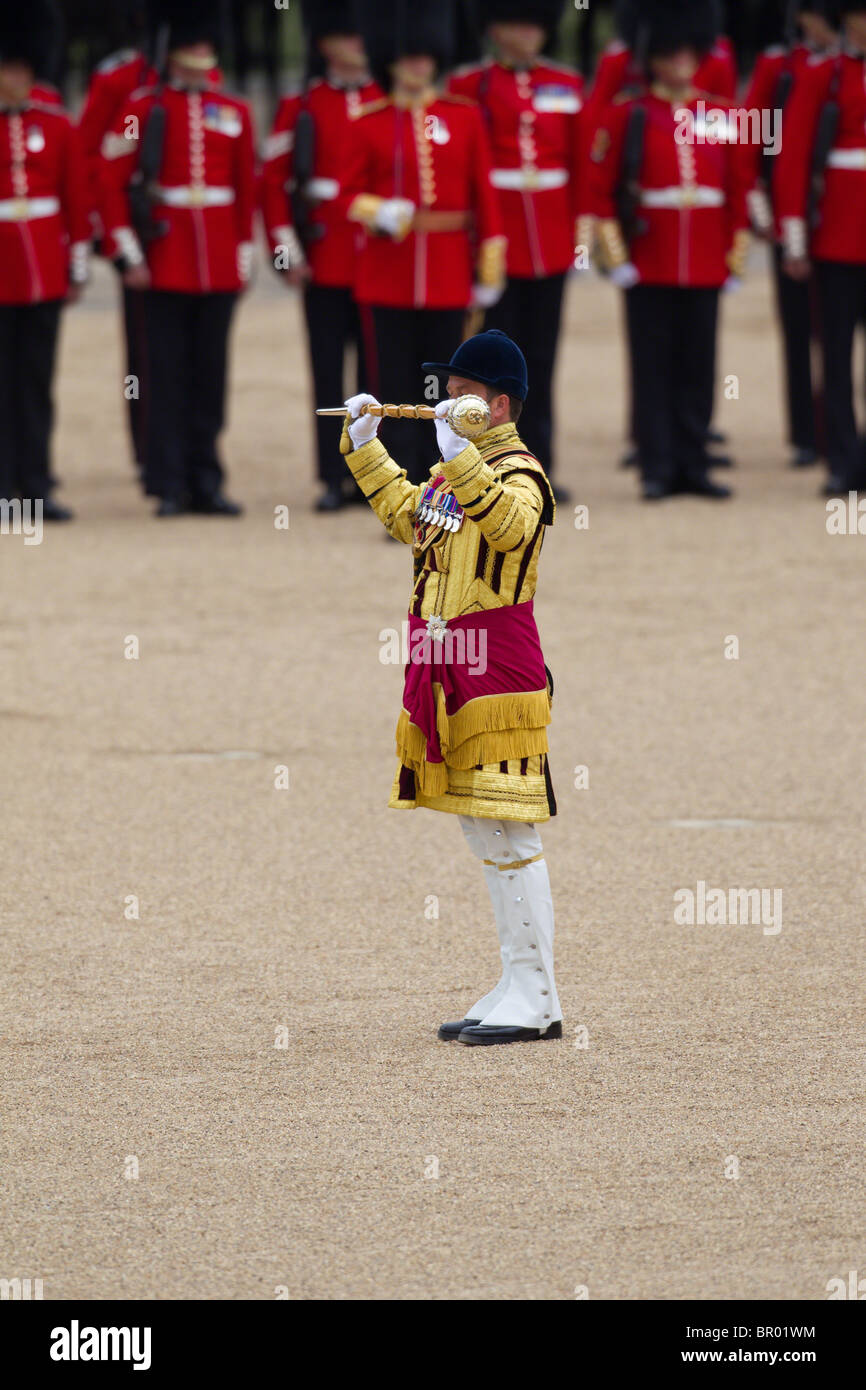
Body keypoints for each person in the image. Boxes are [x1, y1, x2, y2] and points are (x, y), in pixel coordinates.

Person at [339, 329, 562, 1046]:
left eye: (463, 394)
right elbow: (413, 521)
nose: (446, 403)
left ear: (498, 407)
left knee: (509, 824)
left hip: (498, 670)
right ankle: (515, 979)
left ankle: (539, 994)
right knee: (481, 826)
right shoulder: (447, 472)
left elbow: (510, 531)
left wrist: (463, 463)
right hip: (449, 663)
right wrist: (368, 446)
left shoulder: (522, 472)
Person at [587, 0, 749, 500]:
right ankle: (657, 466)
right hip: (650, 258)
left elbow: (738, 188)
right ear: (650, 56)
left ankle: (694, 461)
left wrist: (734, 252)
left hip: (704, 258)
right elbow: (600, 191)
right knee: (652, 366)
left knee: (699, 367)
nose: (680, 62)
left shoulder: (723, 115)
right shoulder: (628, 114)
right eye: (669, 53)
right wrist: (615, 258)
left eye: (687, 53)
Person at [339, 0, 505, 487]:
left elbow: (485, 200)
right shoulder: (369, 121)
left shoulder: (466, 117)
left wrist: (489, 269)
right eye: (408, 57)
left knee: (450, 397)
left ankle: (447, 487)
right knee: (392, 391)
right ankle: (397, 487)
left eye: (424, 57)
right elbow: (345, 197)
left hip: (449, 271)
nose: (417, 65)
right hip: (388, 275)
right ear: (390, 61)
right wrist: (377, 211)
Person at [99, 0, 255, 517]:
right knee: (164, 375)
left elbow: (244, 191)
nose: (199, 54)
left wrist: (245, 255)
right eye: (191, 46)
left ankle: (204, 478)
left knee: (210, 374)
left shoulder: (234, 111)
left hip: (216, 261)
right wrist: (127, 253)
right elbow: (111, 184)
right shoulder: (140, 110)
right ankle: (166, 481)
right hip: (164, 260)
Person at [448, 0, 585, 502]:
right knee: (487, 367)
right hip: (497, 242)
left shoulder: (566, 86)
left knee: (539, 363)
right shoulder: (469, 86)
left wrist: (582, 236)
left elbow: (580, 163)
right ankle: (482, 470)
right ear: (494, 29)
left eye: (533, 24)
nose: (526, 35)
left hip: (549, 241)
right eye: (514, 24)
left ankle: (536, 466)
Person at [261, 0, 382, 513]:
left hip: (380, 259)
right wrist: (287, 255)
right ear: (325, 43)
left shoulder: (388, 98)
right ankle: (333, 475)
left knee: (378, 376)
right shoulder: (302, 105)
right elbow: (272, 183)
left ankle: (377, 474)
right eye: (345, 36)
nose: (355, 44)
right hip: (325, 255)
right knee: (328, 372)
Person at [0, 4, 90, 522]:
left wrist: (76, 266)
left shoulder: (55, 125)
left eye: (22, 69)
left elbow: (75, 202)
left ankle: (35, 486)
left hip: (42, 275)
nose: (16, 79)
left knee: (35, 386)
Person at [742, 1, 839, 470]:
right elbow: (752, 143)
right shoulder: (779, 68)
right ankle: (807, 431)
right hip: (794, 213)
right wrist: (764, 211)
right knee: (801, 330)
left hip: (844, 217)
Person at [774, 0, 866, 495]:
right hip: (837, 239)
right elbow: (792, 160)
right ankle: (844, 460)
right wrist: (794, 239)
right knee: (835, 356)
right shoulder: (823, 76)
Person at [79, 1, 159, 475]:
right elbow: (91, 154)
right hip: (135, 230)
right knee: (144, 349)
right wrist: (109, 233)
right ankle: (148, 449)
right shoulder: (118, 78)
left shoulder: (196, 80)